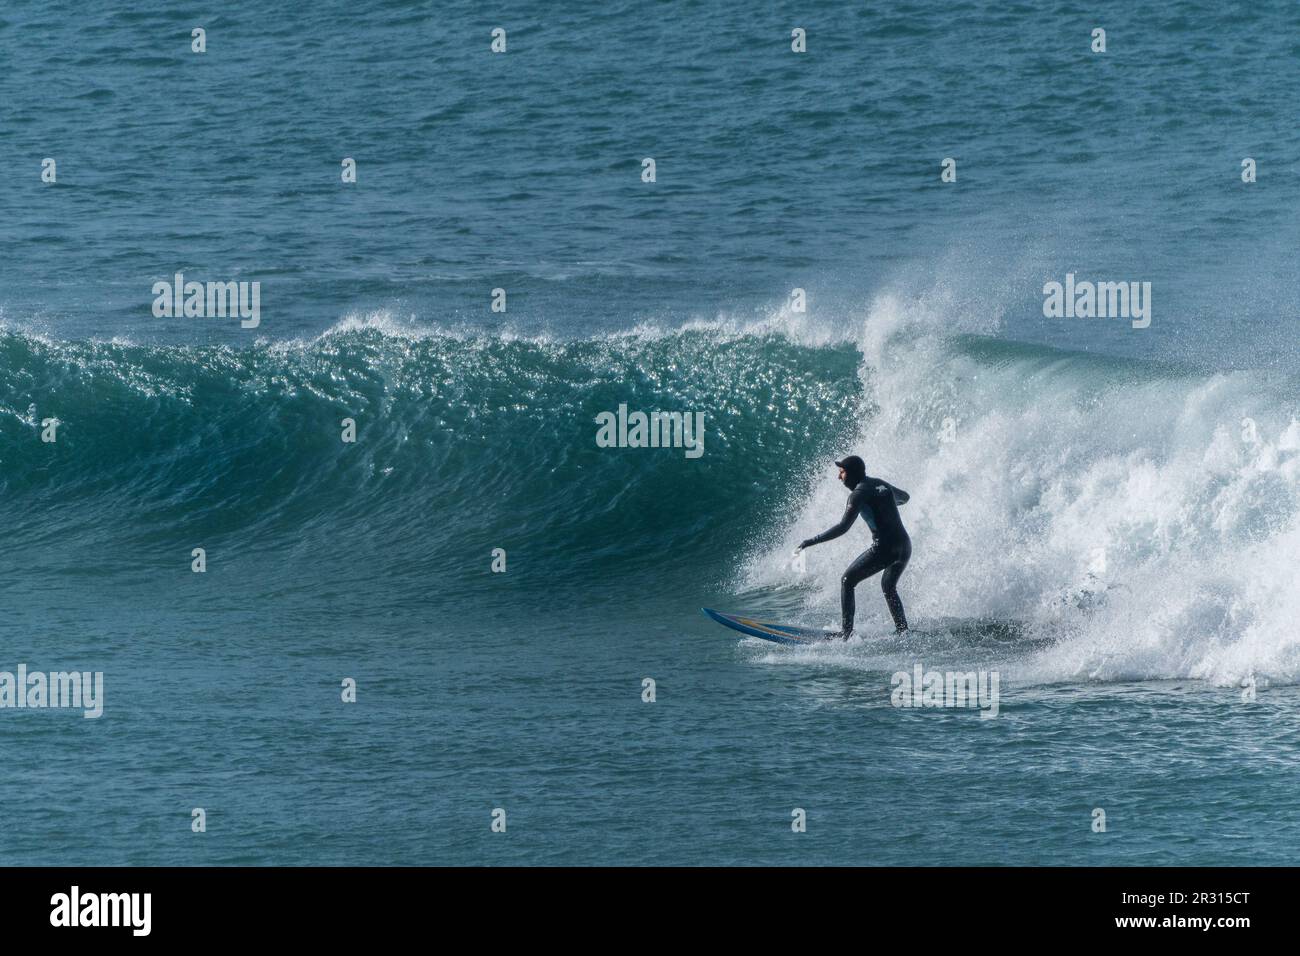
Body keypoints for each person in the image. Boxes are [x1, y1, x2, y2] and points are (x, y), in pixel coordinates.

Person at [796, 455, 911, 637]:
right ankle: (903, 631)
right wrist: (884, 502)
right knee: (888, 586)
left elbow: (843, 527)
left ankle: (846, 633)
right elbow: (905, 498)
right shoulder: (880, 484)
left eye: (842, 472)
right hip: (904, 546)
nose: (839, 477)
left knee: (847, 581)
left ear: (851, 474)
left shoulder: (858, 494)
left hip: (885, 548)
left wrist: (812, 541)